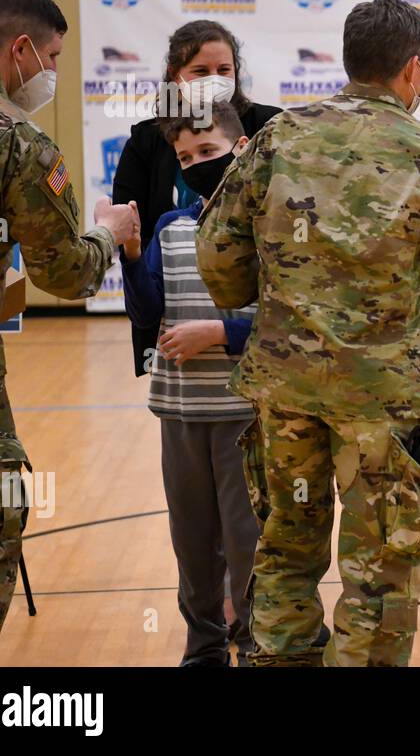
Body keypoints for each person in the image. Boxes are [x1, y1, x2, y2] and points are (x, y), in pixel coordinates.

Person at [195, 0, 420, 667]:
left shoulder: (277, 138)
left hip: (286, 391)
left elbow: (218, 260)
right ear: (413, 69)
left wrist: (268, 295)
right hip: (382, 403)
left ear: (349, 60)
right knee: (381, 565)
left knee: (286, 545)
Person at [0, 0, 138, 666]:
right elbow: (68, 275)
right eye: (54, 56)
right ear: (22, 49)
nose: (52, 73)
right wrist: (110, 232)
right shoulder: (12, 139)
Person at [119, 100, 260, 667]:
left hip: (243, 415)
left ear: (241, 149)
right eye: (186, 157)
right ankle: (203, 647)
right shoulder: (171, 228)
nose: (197, 163)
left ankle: (255, 644)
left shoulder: (266, 233)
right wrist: (130, 255)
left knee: (248, 543)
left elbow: (285, 324)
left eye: (208, 152)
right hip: (179, 416)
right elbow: (146, 310)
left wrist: (218, 332)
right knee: (193, 545)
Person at [113, 20, 280, 379]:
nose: (214, 79)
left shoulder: (271, 126)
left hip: (255, 323)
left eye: (224, 70)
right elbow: (131, 227)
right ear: (175, 76)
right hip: (177, 319)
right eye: (200, 71)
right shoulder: (146, 141)